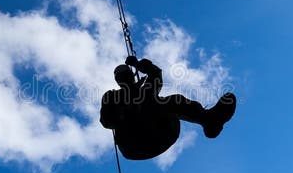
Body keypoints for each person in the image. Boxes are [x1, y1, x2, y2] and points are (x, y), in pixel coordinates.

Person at [100, 55, 236, 161]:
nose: (126, 79)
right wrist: (127, 109)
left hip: (161, 134)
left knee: (170, 100)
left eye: (127, 75)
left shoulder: (144, 91)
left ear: (132, 76)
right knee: (152, 100)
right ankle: (208, 119)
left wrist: (137, 64)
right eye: (122, 77)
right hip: (133, 143)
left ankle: (209, 120)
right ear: (118, 81)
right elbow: (107, 120)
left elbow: (155, 74)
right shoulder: (113, 96)